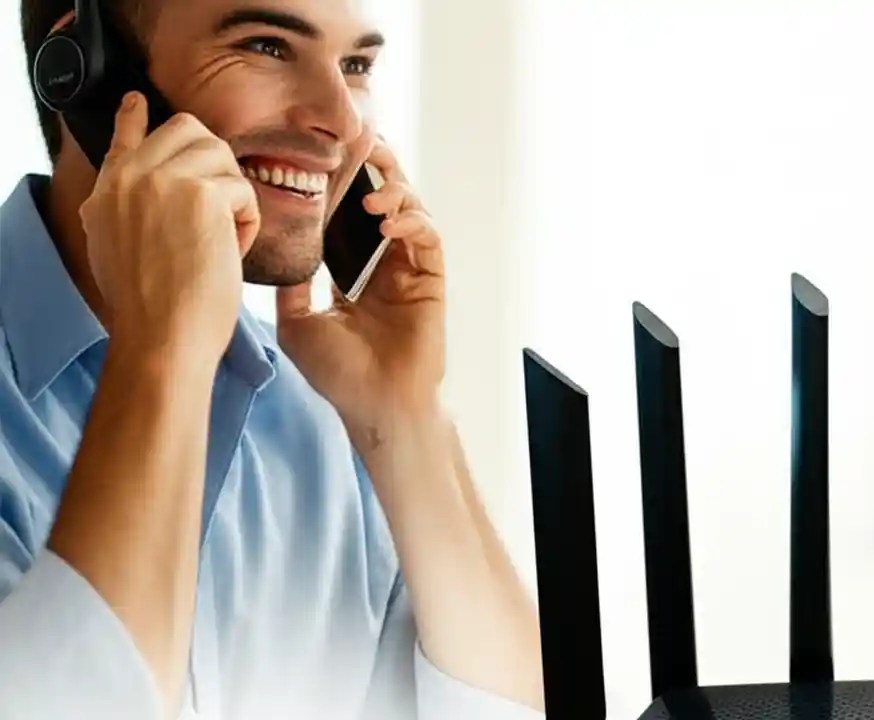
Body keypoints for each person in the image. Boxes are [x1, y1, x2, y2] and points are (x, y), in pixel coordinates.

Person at [0, 0, 546, 718]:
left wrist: (405, 418)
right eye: (267, 45)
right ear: (84, 70)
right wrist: (162, 351)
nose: (342, 122)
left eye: (355, 66)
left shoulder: (319, 429)